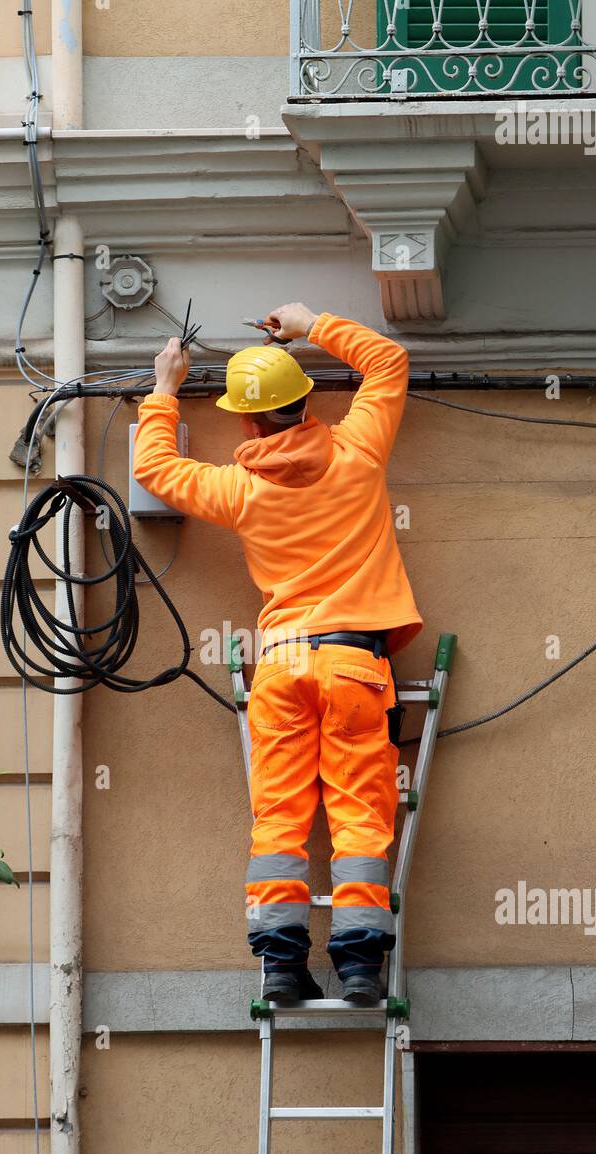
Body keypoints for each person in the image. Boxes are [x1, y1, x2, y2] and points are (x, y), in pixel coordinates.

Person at [133, 303, 423, 1005]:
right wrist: (309, 322)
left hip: (282, 662)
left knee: (280, 818)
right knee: (360, 816)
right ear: (305, 401)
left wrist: (165, 385)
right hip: (355, 662)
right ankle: (359, 967)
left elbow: (154, 466)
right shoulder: (357, 452)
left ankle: (282, 966)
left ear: (247, 421)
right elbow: (388, 362)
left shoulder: (239, 490)